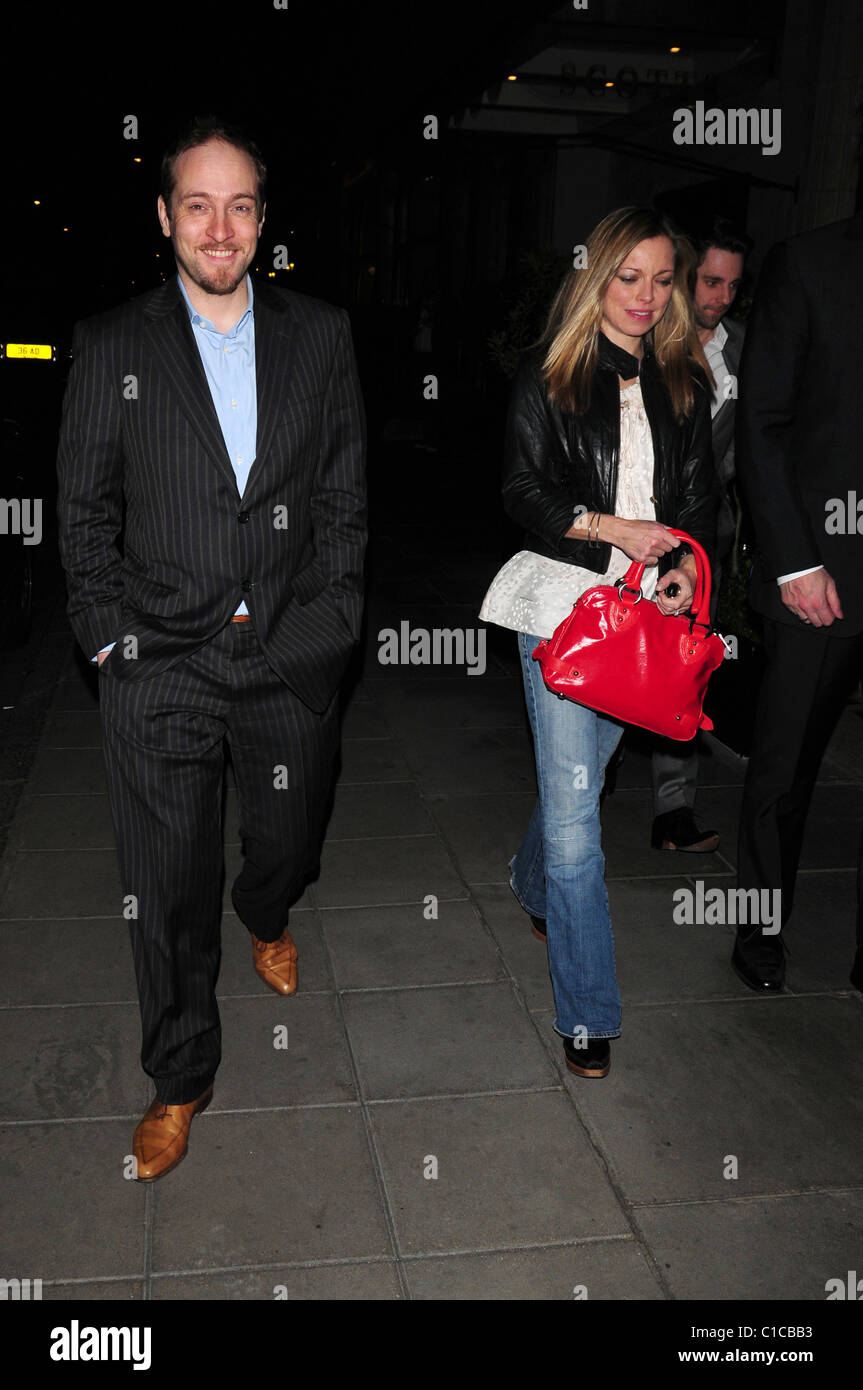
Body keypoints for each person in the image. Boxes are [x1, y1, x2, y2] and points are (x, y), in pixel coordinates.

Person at [56, 117, 367, 1179]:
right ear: (164, 217)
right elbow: (84, 515)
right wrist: (108, 647)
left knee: (285, 837)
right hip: (162, 664)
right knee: (166, 882)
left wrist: (331, 623)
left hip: (289, 650)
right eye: (198, 203)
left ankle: (267, 908)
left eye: (239, 205)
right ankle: (180, 1075)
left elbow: (342, 502)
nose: (219, 226)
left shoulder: (320, 334)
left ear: (263, 219)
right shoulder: (111, 344)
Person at [480, 206, 717, 1077]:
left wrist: (686, 569)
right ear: (596, 277)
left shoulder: (685, 381)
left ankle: (529, 880)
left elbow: (698, 499)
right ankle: (589, 1014)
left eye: (663, 279)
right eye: (629, 277)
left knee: (576, 788)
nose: (647, 297)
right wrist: (610, 528)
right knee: (579, 823)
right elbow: (520, 490)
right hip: (566, 611)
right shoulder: (550, 374)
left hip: (645, 624)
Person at [732, 209, 863, 994]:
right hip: (820, 572)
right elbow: (762, 420)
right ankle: (760, 926)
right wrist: (792, 560)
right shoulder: (809, 262)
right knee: (784, 766)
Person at [651, 218, 750, 854]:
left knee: (685, 669)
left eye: (733, 286)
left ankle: (672, 812)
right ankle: (587, 779)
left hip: (713, 535)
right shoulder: (657, 342)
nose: (720, 296)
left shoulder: (746, 346)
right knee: (636, 659)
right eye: (711, 281)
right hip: (652, 529)